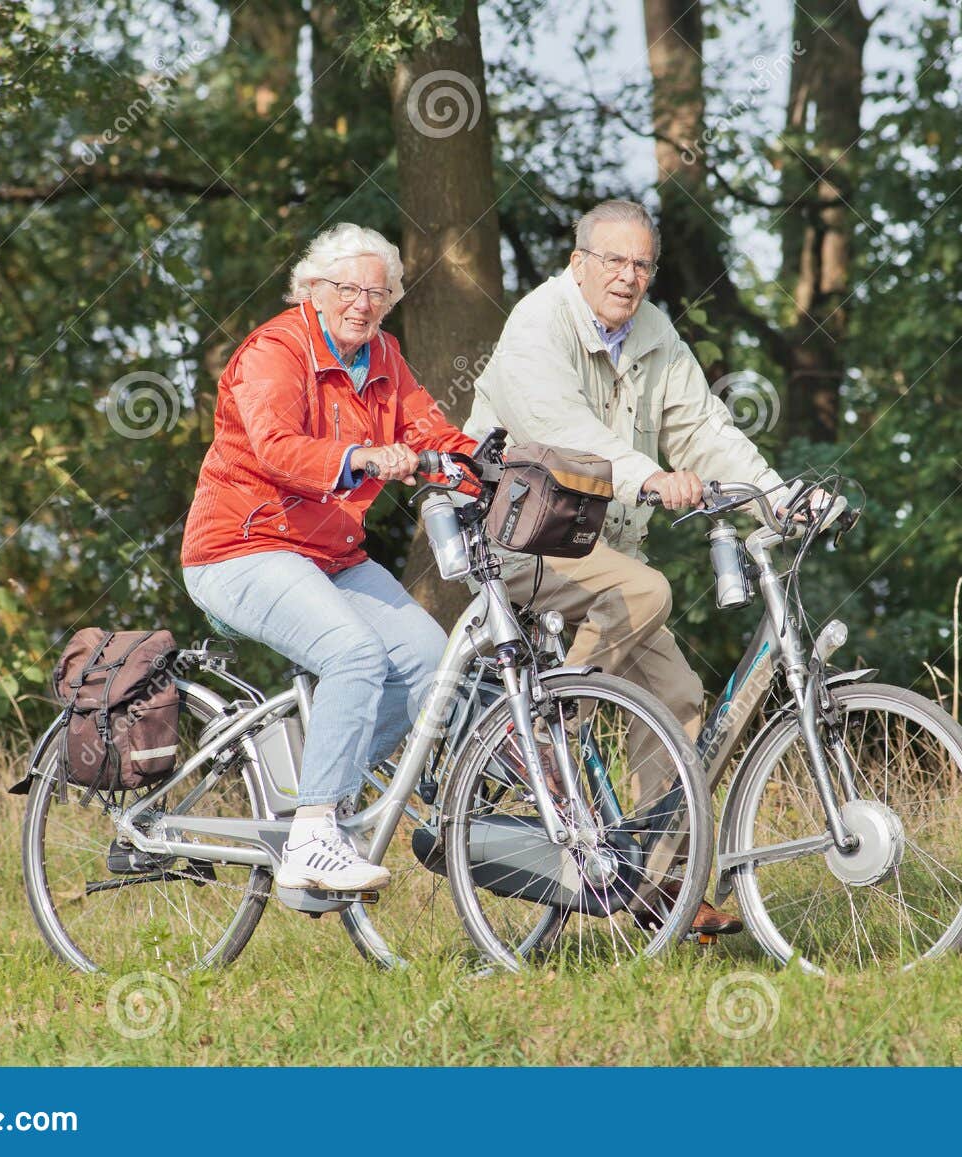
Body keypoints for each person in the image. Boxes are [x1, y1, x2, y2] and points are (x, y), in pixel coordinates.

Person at [465, 200, 789, 936]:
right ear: (578, 263)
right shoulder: (537, 325)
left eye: (642, 263)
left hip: (597, 550)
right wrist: (648, 475)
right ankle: (546, 733)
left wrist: (777, 499)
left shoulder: (652, 330)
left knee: (678, 698)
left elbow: (704, 426)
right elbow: (559, 430)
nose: (630, 276)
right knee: (648, 588)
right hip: (516, 535)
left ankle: (659, 885)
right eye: (613, 260)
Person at [181, 223, 475, 893]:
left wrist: (495, 467)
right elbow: (278, 446)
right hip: (241, 548)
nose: (363, 303)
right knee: (354, 654)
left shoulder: (385, 357)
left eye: (379, 292)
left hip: (330, 554)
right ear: (312, 288)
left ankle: (315, 804)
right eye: (347, 287)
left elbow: (432, 432)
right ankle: (315, 833)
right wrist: (359, 457)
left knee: (430, 664)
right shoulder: (274, 351)